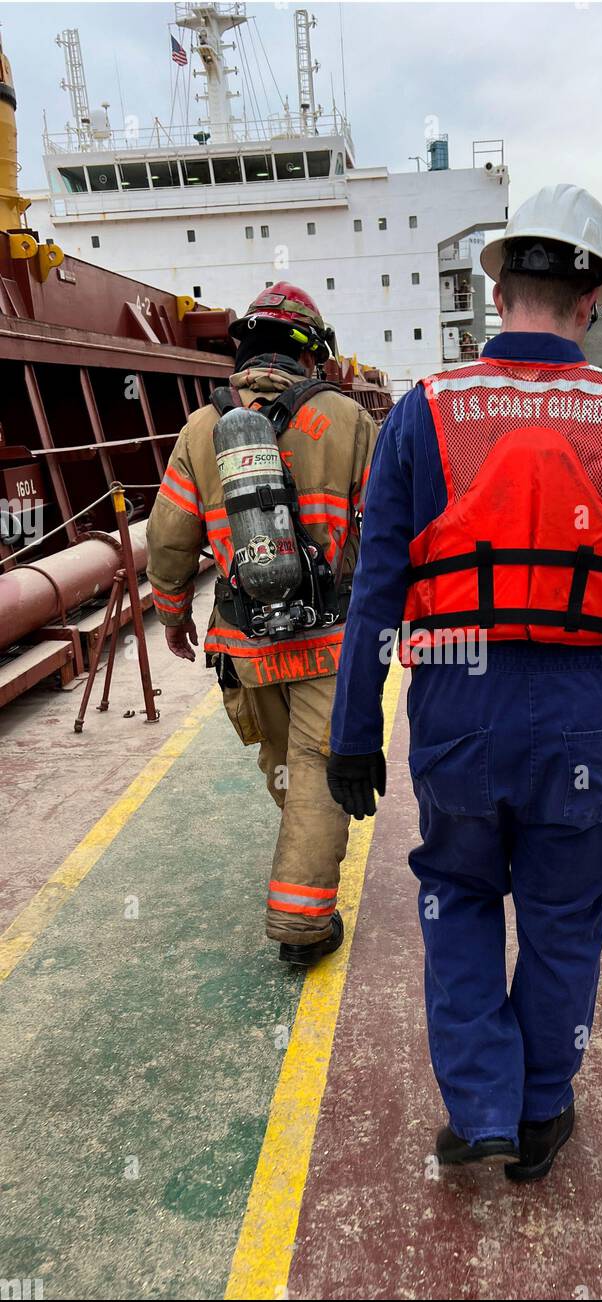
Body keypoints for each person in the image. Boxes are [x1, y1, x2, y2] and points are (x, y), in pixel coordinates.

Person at [326, 185, 602, 1182]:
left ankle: (479, 1108)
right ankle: (541, 1109)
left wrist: (351, 734)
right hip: (589, 718)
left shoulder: (423, 409)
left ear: (493, 287)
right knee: (560, 912)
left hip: (455, 710)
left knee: (453, 894)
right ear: (592, 298)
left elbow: (375, 590)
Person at [146, 283, 378, 963]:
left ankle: (302, 866)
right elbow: (386, 533)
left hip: (243, 646)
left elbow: (168, 535)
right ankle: (302, 921)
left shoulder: (201, 427)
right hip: (326, 645)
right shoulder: (347, 419)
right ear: (312, 353)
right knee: (315, 769)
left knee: (283, 767)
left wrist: (170, 612)